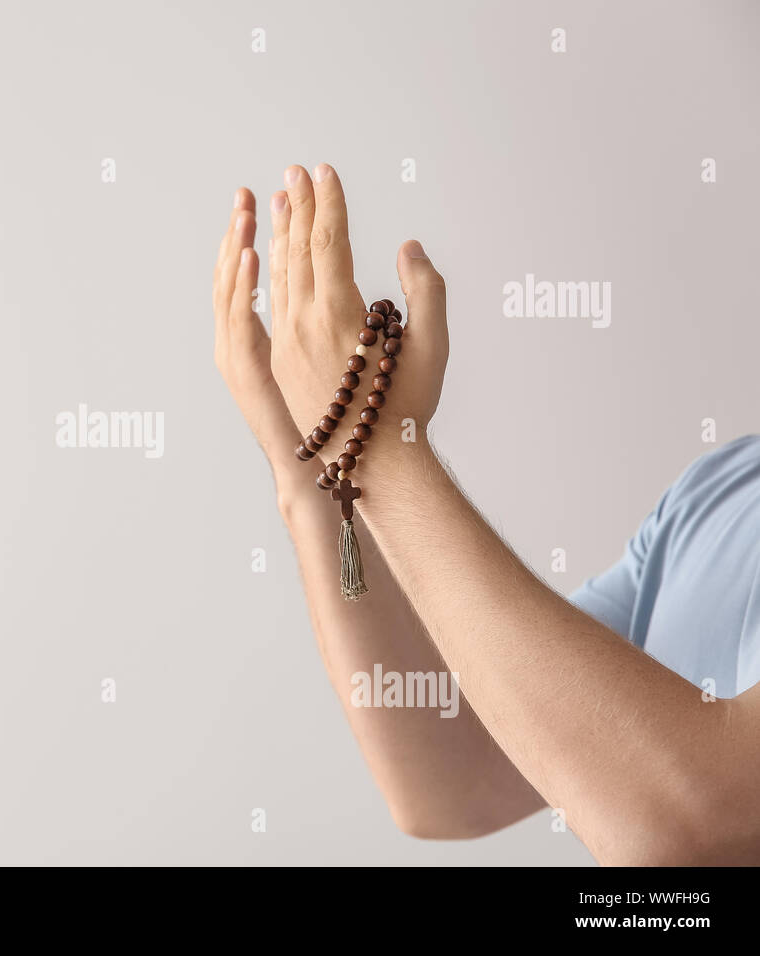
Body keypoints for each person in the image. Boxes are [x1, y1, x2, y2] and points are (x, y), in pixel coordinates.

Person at [210, 163, 760, 866]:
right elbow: (451, 779)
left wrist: (376, 449)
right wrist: (311, 474)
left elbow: (694, 831)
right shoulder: (716, 494)